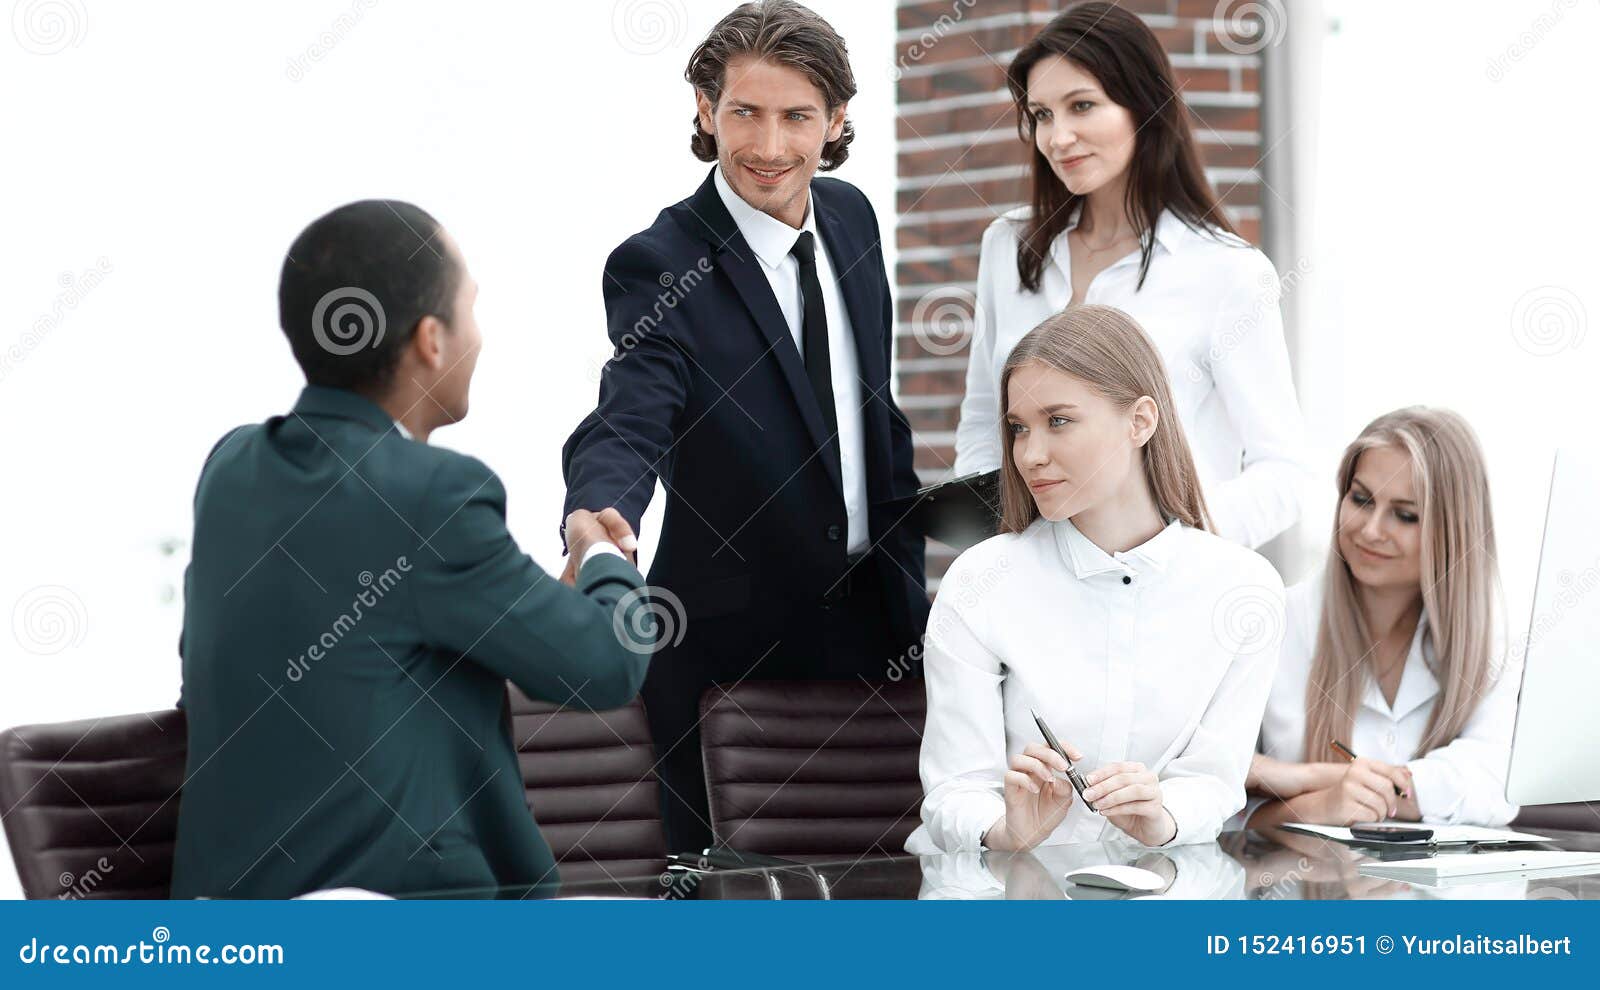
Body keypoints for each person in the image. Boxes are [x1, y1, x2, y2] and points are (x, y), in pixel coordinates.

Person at [170, 200, 654, 899]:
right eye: (472, 310)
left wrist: (524, 614)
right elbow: (606, 668)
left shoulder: (234, 467)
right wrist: (604, 556)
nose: (480, 336)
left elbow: (350, 651)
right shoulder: (434, 495)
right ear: (432, 338)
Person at [561, 0, 928, 851]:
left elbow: (869, 408)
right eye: (744, 113)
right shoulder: (659, 263)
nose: (768, 147)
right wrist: (600, 508)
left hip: (883, 644)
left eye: (797, 116)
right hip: (734, 662)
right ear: (704, 110)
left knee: (896, 895)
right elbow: (629, 411)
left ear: (836, 120)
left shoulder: (853, 221)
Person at [908, 305, 1284, 856]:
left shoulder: (1245, 588)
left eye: (1058, 420)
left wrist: (1164, 816)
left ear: (1141, 421)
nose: (1030, 455)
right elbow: (953, 791)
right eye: (1018, 429)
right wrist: (1007, 831)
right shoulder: (981, 581)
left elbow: (1214, 781)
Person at [951, 1, 1309, 549]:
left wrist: (1175, 548)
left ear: (1145, 107)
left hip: (1166, 594)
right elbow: (983, 425)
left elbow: (1283, 471)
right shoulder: (1008, 248)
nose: (1059, 137)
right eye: (1042, 114)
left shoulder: (1226, 271)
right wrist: (998, 551)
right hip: (1032, 590)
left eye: (1082, 106)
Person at [1246, 408, 1521, 828]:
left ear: (1453, 531)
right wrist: (1319, 794)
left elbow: (1498, 779)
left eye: (1405, 514)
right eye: (1361, 499)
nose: (1371, 530)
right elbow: (1213, 787)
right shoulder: (1272, 622)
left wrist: (1376, 792)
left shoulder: (1490, 642)